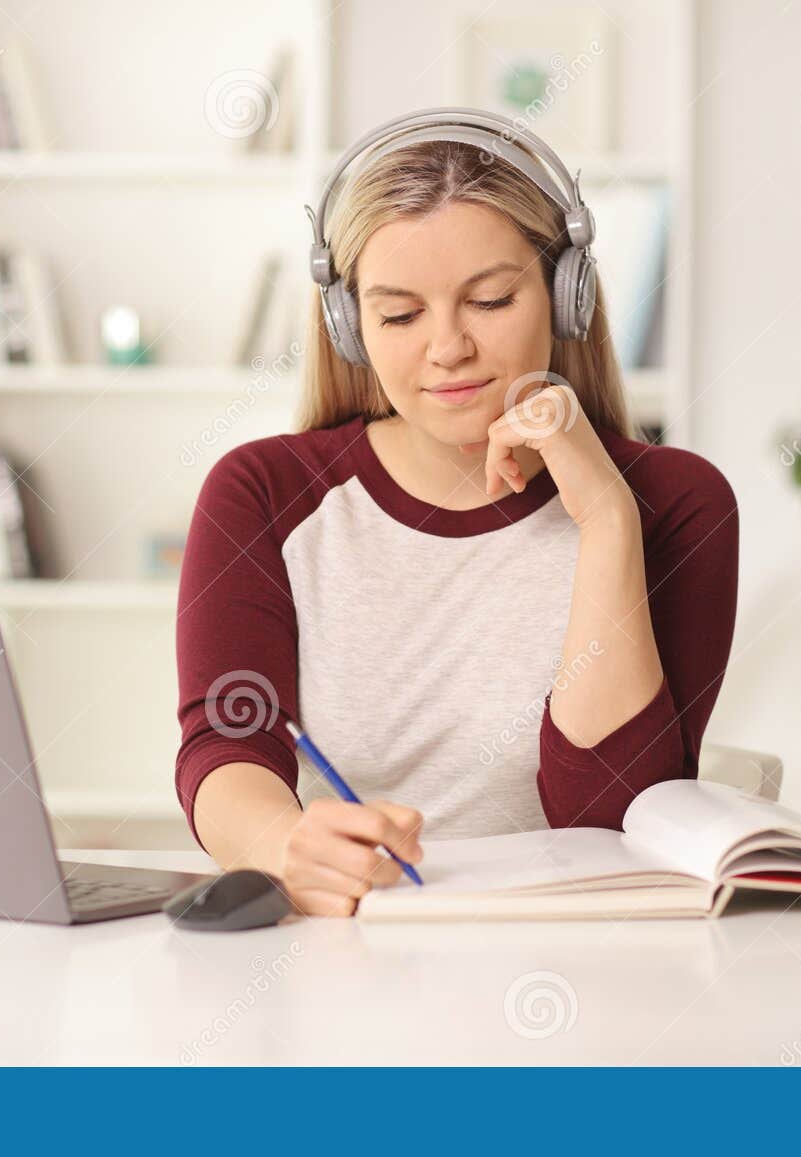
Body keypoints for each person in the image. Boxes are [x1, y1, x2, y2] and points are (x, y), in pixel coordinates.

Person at [173, 116, 738, 917]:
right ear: (350, 326)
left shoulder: (675, 501)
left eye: (491, 299)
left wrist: (606, 515)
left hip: (587, 953)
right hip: (345, 944)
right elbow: (226, 745)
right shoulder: (263, 492)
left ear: (565, 297)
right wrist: (282, 847)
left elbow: (610, 815)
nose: (447, 347)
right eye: (399, 315)